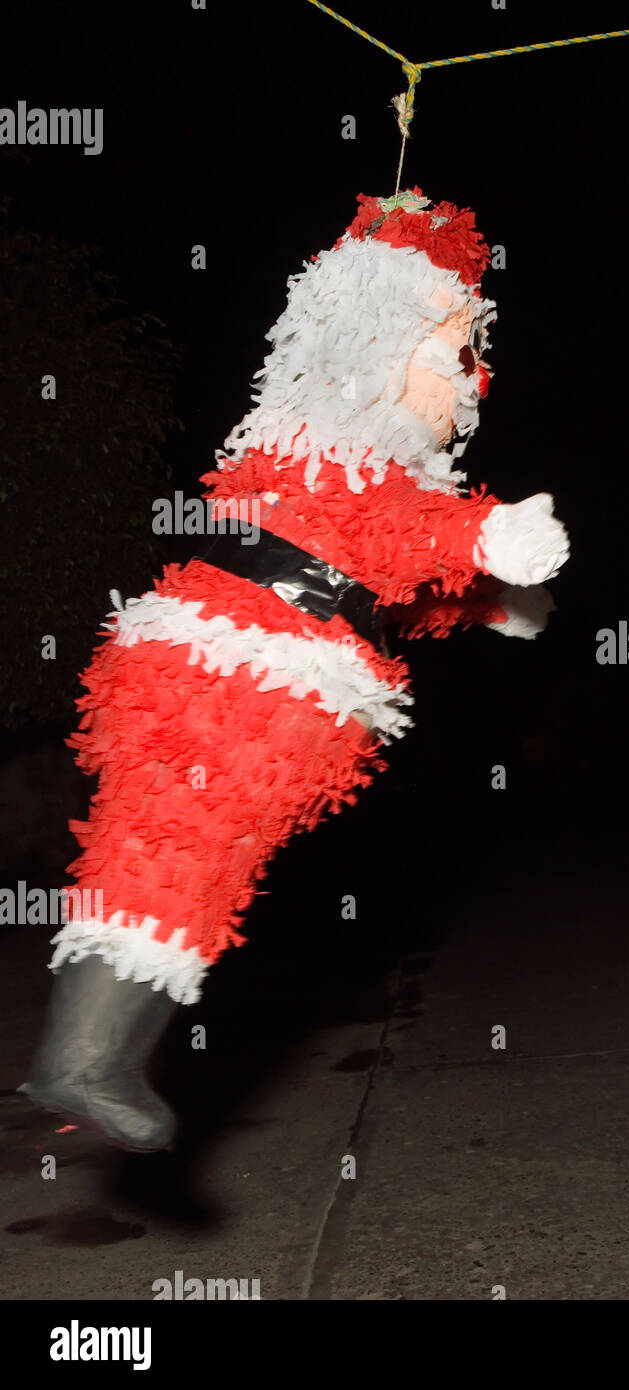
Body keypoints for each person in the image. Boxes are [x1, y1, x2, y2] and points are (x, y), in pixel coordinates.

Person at [19, 190, 568, 1153]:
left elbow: (378, 587)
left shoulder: (377, 459)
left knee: (198, 869)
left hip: (268, 681)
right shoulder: (315, 434)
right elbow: (371, 526)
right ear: (376, 334)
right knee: (170, 851)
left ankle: (102, 1058)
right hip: (221, 673)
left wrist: (483, 603)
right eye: (451, 351)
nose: (469, 379)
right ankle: (83, 1059)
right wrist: (481, 532)